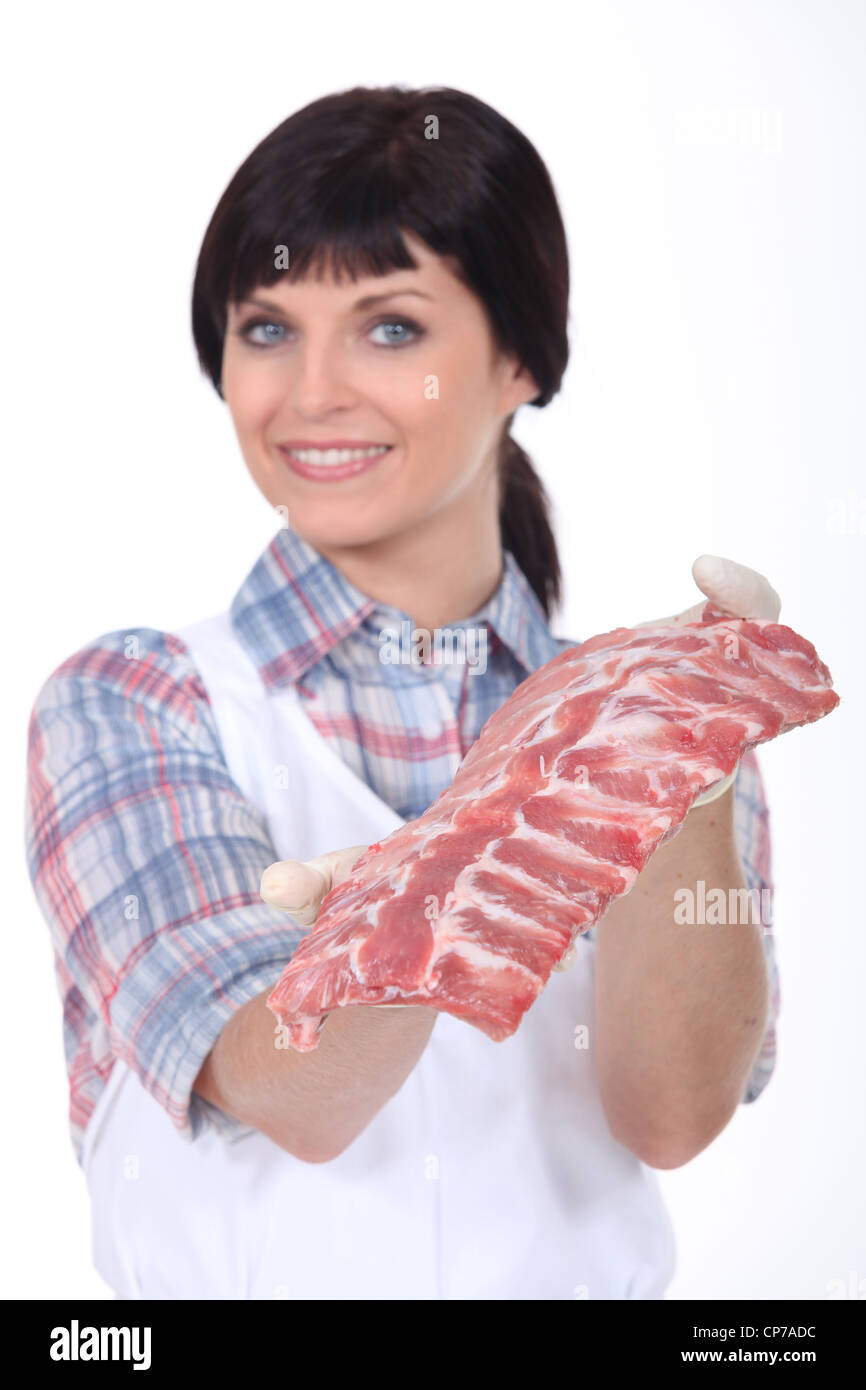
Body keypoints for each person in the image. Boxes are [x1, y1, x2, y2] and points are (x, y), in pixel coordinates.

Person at [24, 85, 779, 1301]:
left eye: (388, 329)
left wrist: (673, 760)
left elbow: (671, 1115)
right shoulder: (131, 703)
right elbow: (287, 1091)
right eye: (266, 328)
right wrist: (467, 859)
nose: (310, 392)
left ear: (520, 358)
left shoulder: (650, 720)